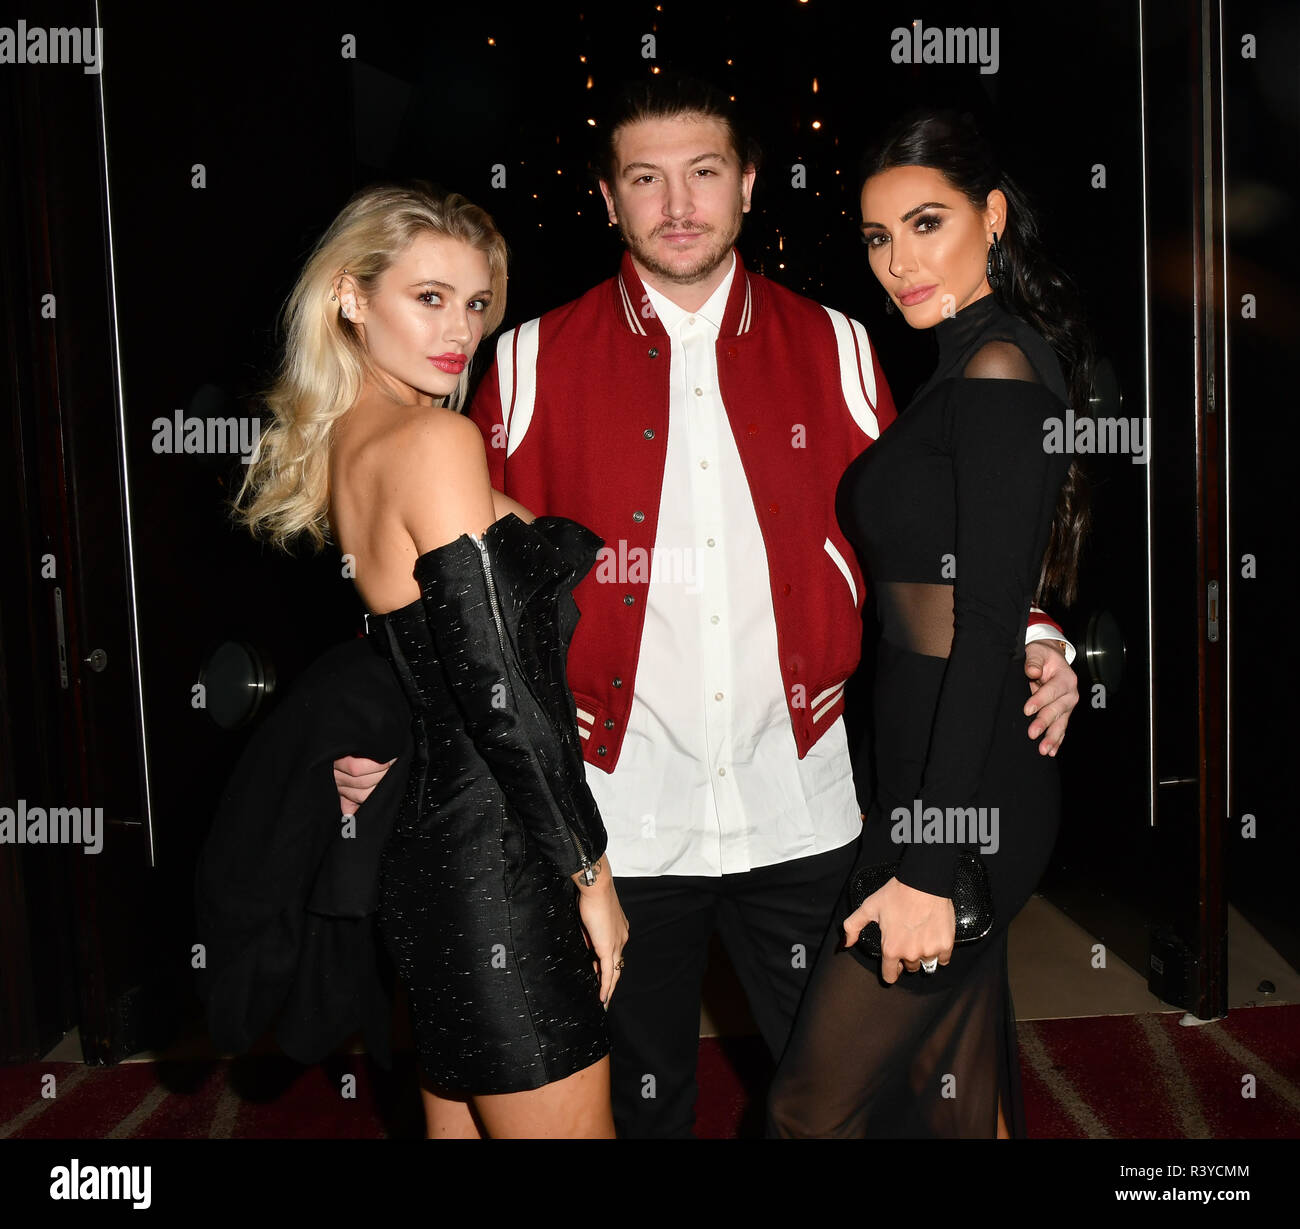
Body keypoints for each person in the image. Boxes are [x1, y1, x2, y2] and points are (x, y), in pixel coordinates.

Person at [335, 77, 1081, 1139]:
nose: (676, 203)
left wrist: (1036, 632)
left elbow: (939, 526)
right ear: (607, 198)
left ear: (746, 186)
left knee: (866, 1104)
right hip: (616, 820)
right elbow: (436, 574)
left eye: (703, 173)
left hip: (807, 802)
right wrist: (374, 727)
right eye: (645, 178)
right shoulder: (525, 357)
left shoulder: (841, 340)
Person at [235, 183, 627, 1138]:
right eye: (430, 297)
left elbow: (423, 663)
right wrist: (592, 875)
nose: (461, 329)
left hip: (427, 861)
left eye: (478, 302)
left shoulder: (349, 446)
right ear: (350, 297)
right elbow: (502, 695)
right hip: (499, 858)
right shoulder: (435, 440)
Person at [767, 109, 1093, 1139]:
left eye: (925, 223)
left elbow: (985, 613)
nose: (900, 261)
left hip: (961, 799)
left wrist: (925, 862)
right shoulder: (959, 367)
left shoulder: (998, 367)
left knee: (807, 1110)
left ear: (990, 216)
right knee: (953, 1100)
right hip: (931, 774)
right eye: (877, 237)